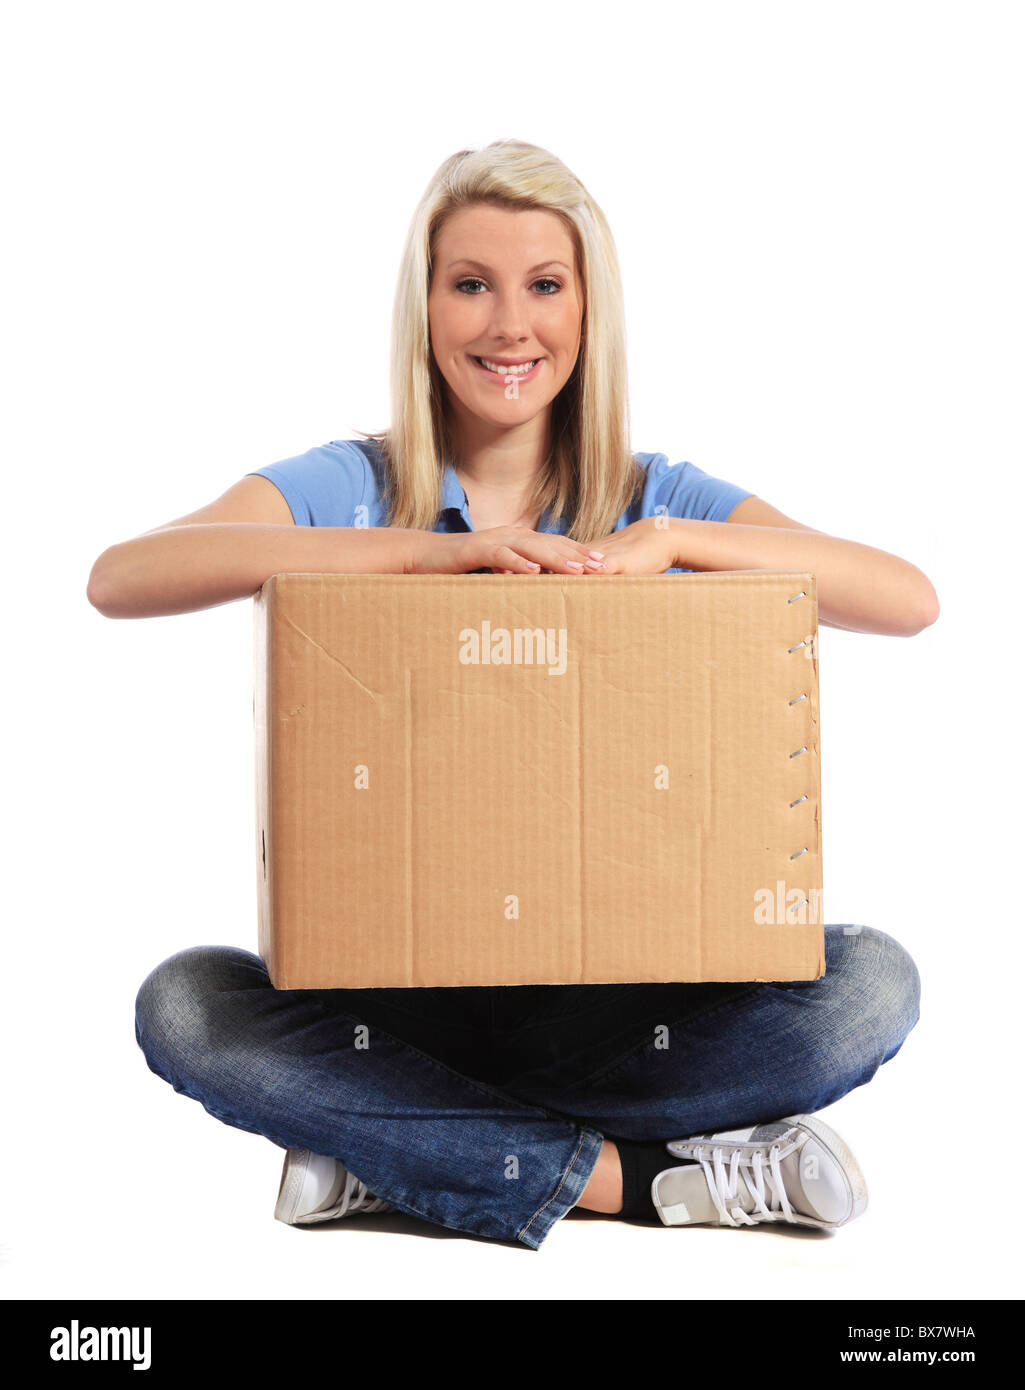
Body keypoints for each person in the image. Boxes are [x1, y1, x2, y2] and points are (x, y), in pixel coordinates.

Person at [87, 139, 936, 1250]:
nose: (506, 326)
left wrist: (671, 541)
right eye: (469, 284)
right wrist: (419, 556)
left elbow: (907, 598)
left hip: (623, 1005)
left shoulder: (649, 495)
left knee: (870, 982)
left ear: (588, 309)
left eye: (543, 285)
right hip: (388, 1003)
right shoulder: (357, 485)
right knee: (185, 1004)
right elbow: (122, 576)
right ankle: (631, 1181)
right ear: (426, 303)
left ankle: (401, 1149)